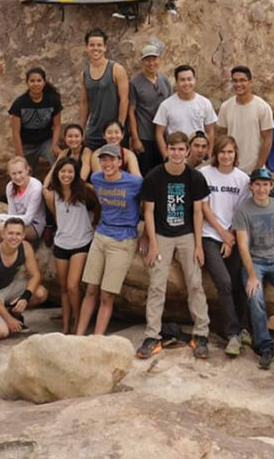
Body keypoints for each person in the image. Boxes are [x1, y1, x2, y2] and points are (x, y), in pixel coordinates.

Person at [135, 131, 212, 359]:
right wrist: (153, 243)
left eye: (181, 149)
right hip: (162, 234)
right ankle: (152, 335)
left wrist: (198, 245)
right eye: (173, 149)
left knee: (195, 283)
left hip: (187, 234)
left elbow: (198, 213)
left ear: (187, 151)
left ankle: (201, 333)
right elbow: (148, 212)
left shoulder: (195, 178)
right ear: (166, 150)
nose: (177, 153)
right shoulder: (154, 176)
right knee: (157, 285)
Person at [76, 144, 150, 336]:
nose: (107, 163)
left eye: (111, 159)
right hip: (100, 236)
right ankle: (78, 336)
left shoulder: (135, 183)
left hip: (123, 240)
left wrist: (146, 236)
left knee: (106, 295)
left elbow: (149, 207)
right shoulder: (97, 178)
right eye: (103, 159)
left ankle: (98, 338)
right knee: (91, 289)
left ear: (119, 162)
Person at [234, 167, 274, 370]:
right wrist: (251, 275)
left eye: (265, 184)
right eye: (258, 184)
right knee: (255, 298)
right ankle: (265, 346)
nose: (262, 188)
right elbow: (242, 244)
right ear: (251, 186)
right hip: (255, 262)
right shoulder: (243, 209)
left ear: (271, 186)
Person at [199, 135, 251, 356]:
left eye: (230, 152)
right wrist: (222, 233)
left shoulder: (242, 179)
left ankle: (245, 328)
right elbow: (204, 207)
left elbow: (241, 211)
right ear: (216, 153)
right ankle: (232, 334)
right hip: (209, 235)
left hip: (233, 235)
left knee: (240, 282)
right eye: (222, 152)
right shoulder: (205, 174)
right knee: (224, 281)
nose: (226, 156)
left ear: (235, 153)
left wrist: (230, 238)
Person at [43, 157, 100, 334]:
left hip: (81, 242)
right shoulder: (52, 194)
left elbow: (100, 203)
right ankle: (66, 326)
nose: (66, 175)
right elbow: (45, 187)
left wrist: (95, 224)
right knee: (64, 289)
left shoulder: (84, 191)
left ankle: (79, 321)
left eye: (70, 171)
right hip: (61, 243)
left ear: (76, 174)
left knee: (72, 286)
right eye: (62, 171)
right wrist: (57, 162)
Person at [0, 217, 48, 339]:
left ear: (23, 236)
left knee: (40, 293)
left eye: (18, 234)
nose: (14, 237)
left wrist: (25, 298)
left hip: (10, 287)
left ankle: (12, 311)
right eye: (10, 233)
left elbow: (35, 275)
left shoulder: (25, 247)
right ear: (3, 234)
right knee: (2, 332)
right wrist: (8, 320)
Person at [0, 157, 45, 254]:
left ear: (27, 170)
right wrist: (7, 222)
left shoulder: (36, 187)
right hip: (18, 223)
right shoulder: (10, 187)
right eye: (14, 174)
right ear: (9, 174)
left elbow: (28, 219)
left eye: (20, 172)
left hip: (34, 226)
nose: (17, 177)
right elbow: (12, 213)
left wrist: (2, 217)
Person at [216, 66, 274, 174]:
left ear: (250, 82)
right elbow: (222, 137)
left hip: (253, 169)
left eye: (242, 80)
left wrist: (258, 167)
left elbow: (267, 140)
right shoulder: (226, 107)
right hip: (230, 168)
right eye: (235, 81)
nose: (238, 84)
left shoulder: (262, 107)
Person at [79, 28, 129, 150]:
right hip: (93, 132)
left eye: (99, 45)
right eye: (92, 45)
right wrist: (81, 130)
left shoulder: (116, 69)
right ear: (86, 48)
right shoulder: (84, 74)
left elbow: (124, 100)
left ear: (105, 47)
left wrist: (119, 128)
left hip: (113, 133)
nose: (96, 48)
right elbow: (84, 103)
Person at [8, 66, 62, 176]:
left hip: (45, 141)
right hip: (26, 144)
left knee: (59, 161)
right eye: (32, 81)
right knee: (25, 171)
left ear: (44, 82)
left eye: (39, 80)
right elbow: (15, 131)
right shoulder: (20, 103)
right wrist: (19, 153)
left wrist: (54, 145)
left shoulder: (53, 100)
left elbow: (57, 126)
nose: (36, 84)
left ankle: (57, 188)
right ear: (27, 83)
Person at [153, 65, 216, 160]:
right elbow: (159, 133)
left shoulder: (205, 103)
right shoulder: (166, 105)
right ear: (176, 82)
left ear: (195, 80)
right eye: (182, 80)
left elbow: (210, 131)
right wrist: (166, 156)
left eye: (189, 79)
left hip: (199, 155)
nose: (186, 83)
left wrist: (209, 154)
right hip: (176, 155)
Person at [128, 41, 172, 176]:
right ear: (142, 61)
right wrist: (135, 138)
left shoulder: (165, 81)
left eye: (154, 59)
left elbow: (171, 106)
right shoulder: (135, 83)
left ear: (159, 60)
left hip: (164, 137)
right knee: (146, 174)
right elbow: (131, 112)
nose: (151, 63)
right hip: (145, 137)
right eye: (147, 60)